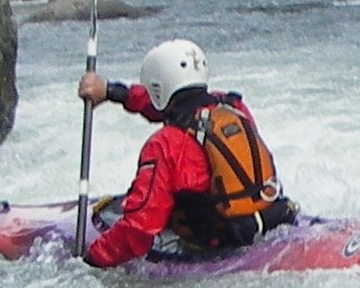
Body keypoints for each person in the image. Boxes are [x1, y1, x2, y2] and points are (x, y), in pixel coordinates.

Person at [76, 38, 295, 268]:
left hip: (213, 245)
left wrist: (90, 262)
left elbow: (138, 230)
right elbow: (167, 105)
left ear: (159, 89)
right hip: (267, 221)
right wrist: (112, 92)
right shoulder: (232, 108)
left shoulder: (165, 144)